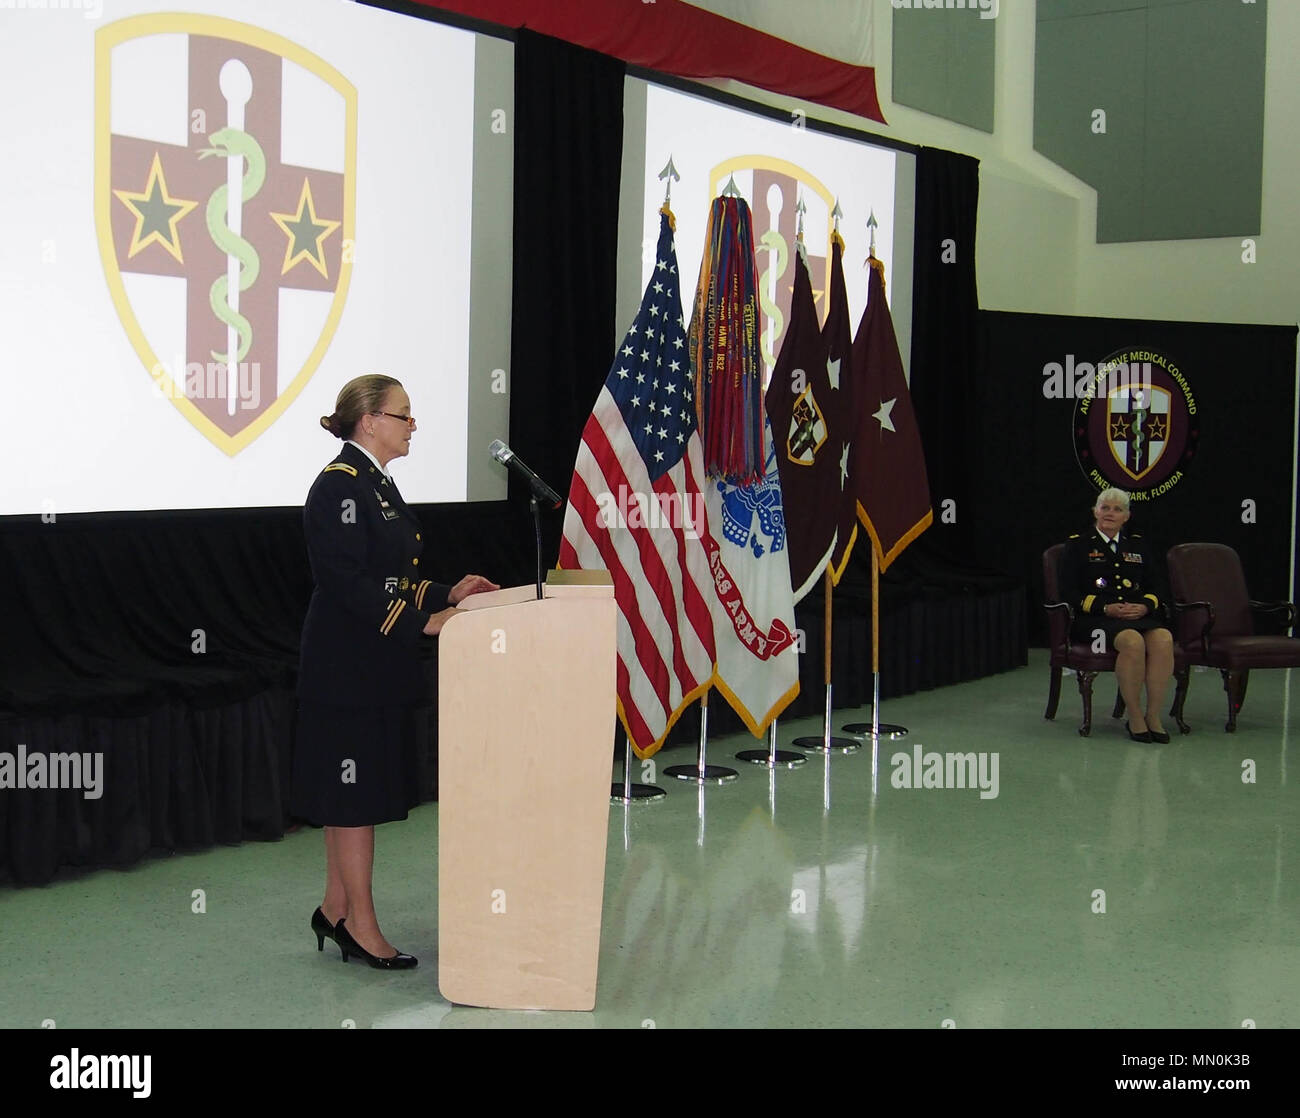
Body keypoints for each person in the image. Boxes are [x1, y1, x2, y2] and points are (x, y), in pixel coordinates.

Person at [292, 374, 498, 969]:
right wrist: (422, 624)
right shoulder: (340, 488)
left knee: (348, 793)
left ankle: (335, 908)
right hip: (344, 667)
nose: (413, 426)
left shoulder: (376, 485)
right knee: (352, 799)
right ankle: (362, 925)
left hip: (368, 664)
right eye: (404, 416)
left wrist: (445, 592)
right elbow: (347, 585)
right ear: (370, 421)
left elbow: (392, 578)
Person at [1060, 488, 1174, 743]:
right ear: (1095, 511)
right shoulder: (1078, 544)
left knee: (1163, 638)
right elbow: (1067, 592)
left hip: (1135, 614)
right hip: (1095, 619)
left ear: (1127, 516)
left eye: (1117, 509)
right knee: (1132, 642)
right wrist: (1104, 608)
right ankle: (1134, 717)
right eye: (1105, 508)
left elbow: (1159, 587)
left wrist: (1145, 605)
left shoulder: (1138, 544)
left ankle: (1153, 715)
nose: (1110, 513)